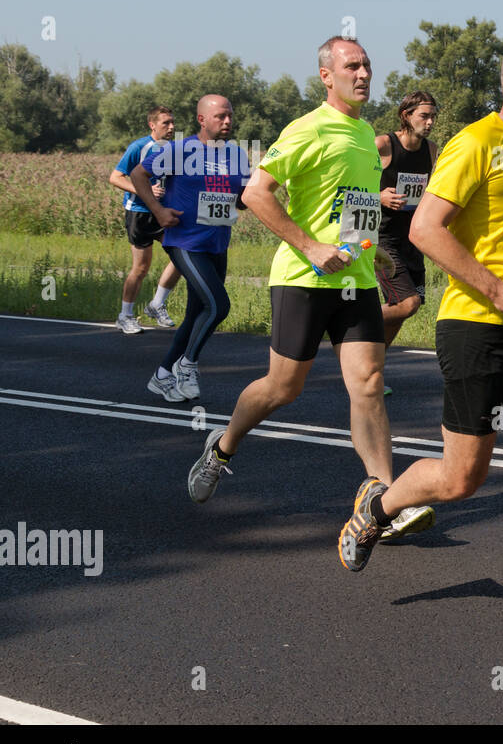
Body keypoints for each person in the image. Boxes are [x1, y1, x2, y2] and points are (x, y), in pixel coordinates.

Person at [333, 40, 503, 646]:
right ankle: (376, 510)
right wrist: (493, 287)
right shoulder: (475, 143)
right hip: (473, 328)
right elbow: (427, 229)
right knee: (462, 479)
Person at [187, 37, 396, 511]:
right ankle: (222, 447)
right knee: (284, 388)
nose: (363, 74)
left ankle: (383, 500)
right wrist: (312, 247)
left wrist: (372, 248)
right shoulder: (309, 129)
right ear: (327, 76)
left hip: (355, 277)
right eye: (352, 66)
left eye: (367, 66)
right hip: (303, 277)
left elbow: (349, 207)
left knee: (367, 382)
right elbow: (257, 193)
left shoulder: (366, 134)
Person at [130, 95, 248, 402]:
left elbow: (243, 199)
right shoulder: (178, 150)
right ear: (202, 120)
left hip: (217, 243)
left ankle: (162, 375)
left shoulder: (236, 154)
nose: (227, 121)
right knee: (219, 306)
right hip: (185, 241)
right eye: (221, 116)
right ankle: (188, 364)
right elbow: (138, 176)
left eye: (230, 116)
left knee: (198, 312)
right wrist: (157, 210)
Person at [371, 91, 439, 539]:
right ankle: (356, 333)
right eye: (423, 116)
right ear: (405, 117)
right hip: (382, 239)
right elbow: (354, 186)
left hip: (412, 240)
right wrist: (380, 195)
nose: (430, 123)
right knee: (408, 302)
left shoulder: (430, 151)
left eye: (433, 116)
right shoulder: (384, 145)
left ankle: (369, 363)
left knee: (406, 309)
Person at [108, 107, 182, 333]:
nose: (171, 127)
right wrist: (143, 190)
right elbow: (115, 177)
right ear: (153, 125)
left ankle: (157, 303)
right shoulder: (139, 147)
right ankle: (125, 315)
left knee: (182, 254)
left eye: (172, 123)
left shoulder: (174, 149)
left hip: (162, 210)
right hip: (139, 212)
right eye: (166, 123)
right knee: (141, 268)